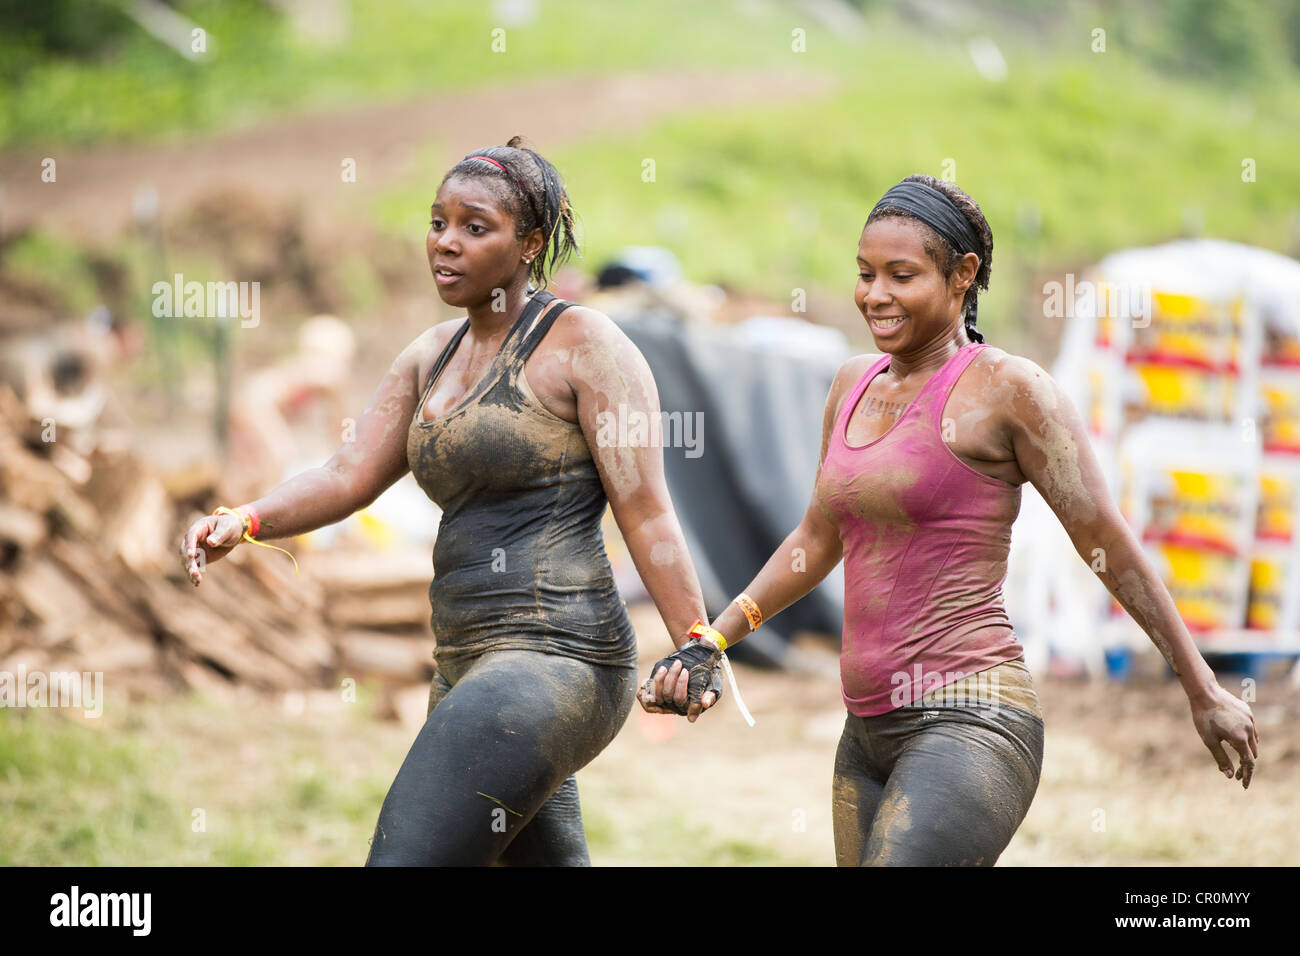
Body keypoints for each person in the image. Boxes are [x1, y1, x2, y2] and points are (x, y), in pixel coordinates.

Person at [640, 174, 1260, 866]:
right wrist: (709, 642)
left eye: (901, 276)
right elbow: (816, 540)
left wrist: (1203, 689)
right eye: (865, 273)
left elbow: (1104, 540)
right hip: (866, 735)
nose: (875, 294)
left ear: (963, 275)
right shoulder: (852, 385)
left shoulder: (1008, 390)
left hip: (972, 720)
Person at [181, 136, 715, 865]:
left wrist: (697, 641)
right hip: (464, 662)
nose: (446, 244)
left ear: (530, 243)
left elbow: (647, 509)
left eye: (474, 227)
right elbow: (346, 474)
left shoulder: (584, 345)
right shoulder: (430, 355)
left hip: (559, 658)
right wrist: (243, 520)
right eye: (438, 223)